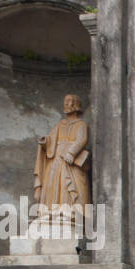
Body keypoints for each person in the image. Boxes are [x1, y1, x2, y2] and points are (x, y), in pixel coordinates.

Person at [32, 94, 90, 237]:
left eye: (69, 102)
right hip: (57, 160)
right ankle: (50, 214)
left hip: (70, 161)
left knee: (68, 187)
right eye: (65, 102)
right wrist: (46, 141)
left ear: (76, 105)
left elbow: (82, 139)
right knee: (52, 185)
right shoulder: (60, 124)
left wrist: (71, 153)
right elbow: (51, 140)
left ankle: (67, 214)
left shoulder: (80, 124)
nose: (66, 104)